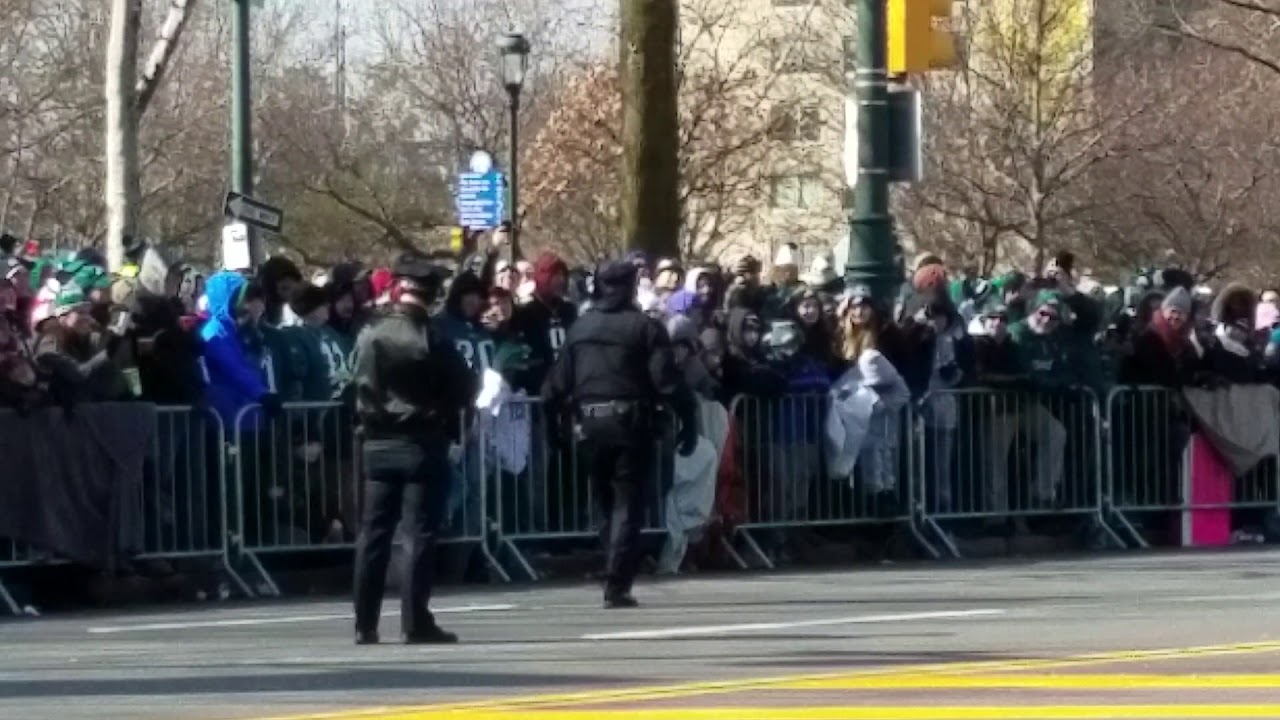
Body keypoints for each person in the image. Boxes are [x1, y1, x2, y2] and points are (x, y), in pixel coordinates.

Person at [543, 260, 698, 609]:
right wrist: (689, 418)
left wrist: (552, 427)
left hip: (588, 424)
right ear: (630, 287)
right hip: (630, 423)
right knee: (627, 502)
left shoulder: (580, 327)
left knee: (604, 502)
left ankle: (612, 565)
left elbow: (555, 384)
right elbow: (666, 381)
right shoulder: (645, 328)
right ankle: (616, 582)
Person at [350, 253, 476, 645]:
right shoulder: (434, 339)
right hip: (421, 441)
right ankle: (414, 620)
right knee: (418, 534)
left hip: (377, 441)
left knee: (373, 533)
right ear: (431, 295)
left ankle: (364, 622)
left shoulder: (371, 334)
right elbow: (464, 387)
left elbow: (356, 383)